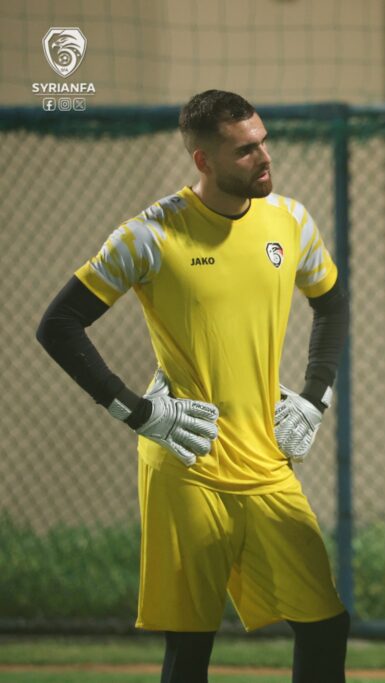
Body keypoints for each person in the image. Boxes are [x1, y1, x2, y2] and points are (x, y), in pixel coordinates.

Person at [35, 90, 350, 683]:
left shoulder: (292, 221)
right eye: (244, 150)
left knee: (326, 623)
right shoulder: (149, 234)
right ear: (204, 161)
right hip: (187, 462)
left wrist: (315, 394)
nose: (263, 158)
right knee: (191, 647)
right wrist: (135, 411)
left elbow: (332, 304)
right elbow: (58, 325)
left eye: (262, 142)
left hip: (267, 462)